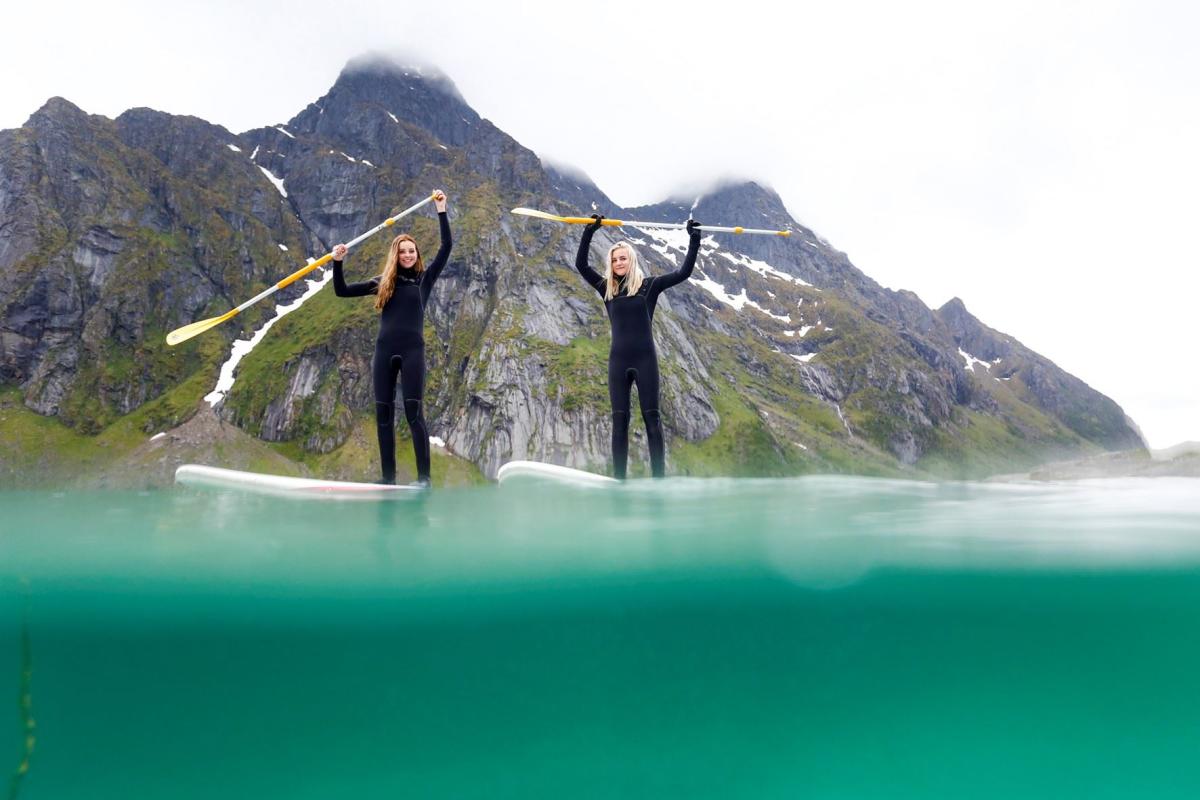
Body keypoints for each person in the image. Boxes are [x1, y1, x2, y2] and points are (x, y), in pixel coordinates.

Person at [330, 190, 451, 486]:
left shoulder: (425, 279)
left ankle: (424, 479)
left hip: (413, 353)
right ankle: (388, 479)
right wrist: (337, 262)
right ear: (395, 255)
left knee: (413, 413)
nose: (408, 254)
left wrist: (442, 211)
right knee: (383, 415)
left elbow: (446, 247)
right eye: (403, 251)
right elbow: (342, 291)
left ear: (417, 255)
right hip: (384, 353)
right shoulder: (381, 283)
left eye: (412, 251)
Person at [574, 214, 701, 479]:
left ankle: (658, 481)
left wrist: (694, 240)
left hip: (645, 361)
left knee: (652, 419)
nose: (619, 262)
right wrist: (590, 231)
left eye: (623, 258)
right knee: (619, 421)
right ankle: (619, 480)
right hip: (617, 362)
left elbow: (683, 272)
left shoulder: (649, 286)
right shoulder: (606, 289)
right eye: (614, 259)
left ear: (632, 260)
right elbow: (581, 265)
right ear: (611, 263)